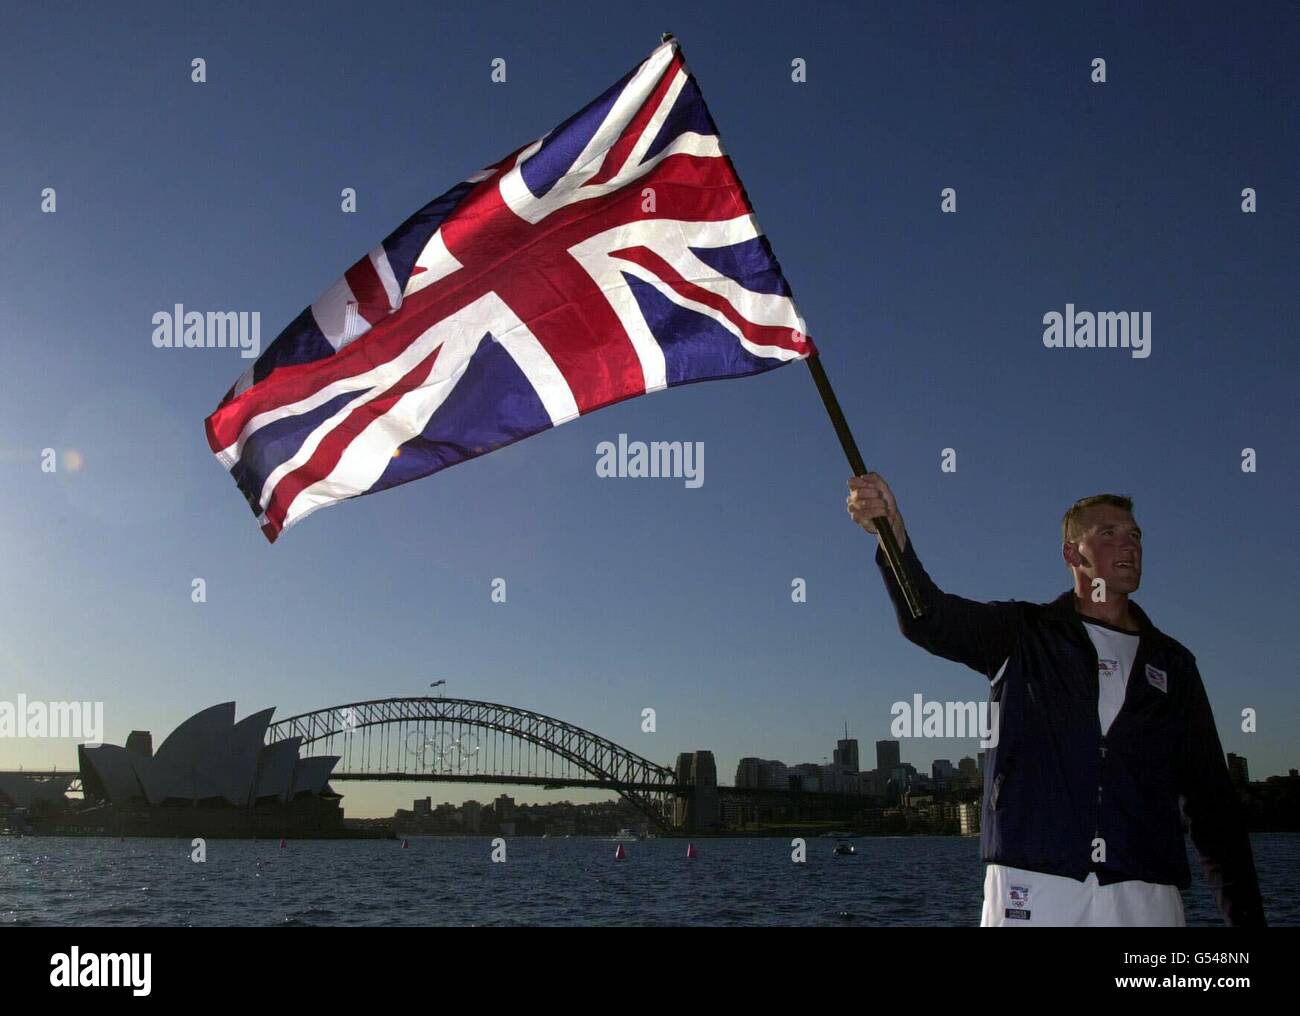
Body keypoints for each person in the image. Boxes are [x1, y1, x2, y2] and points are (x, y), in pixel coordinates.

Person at [846, 472, 1266, 927]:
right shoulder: (1022, 634)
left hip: (1145, 888)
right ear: (1072, 553)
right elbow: (927, 618)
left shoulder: (1174, 664)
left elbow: (1212, 805)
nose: (1130, 545)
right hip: (1034, 881)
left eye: (1135, 535)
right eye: (1109, 533)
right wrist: (894, 536)